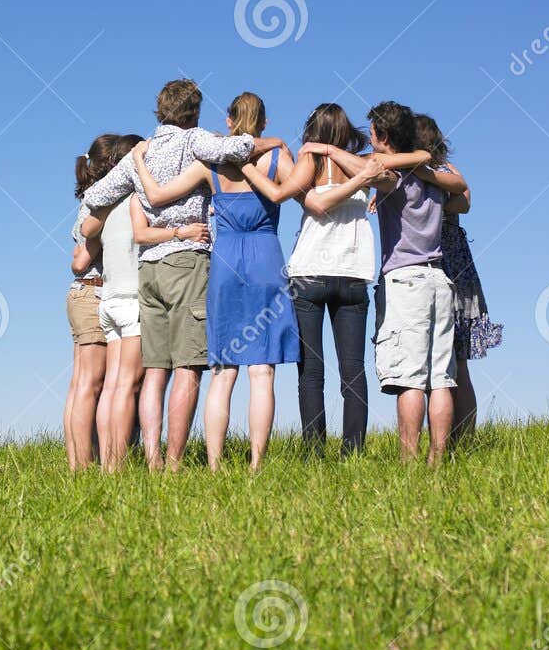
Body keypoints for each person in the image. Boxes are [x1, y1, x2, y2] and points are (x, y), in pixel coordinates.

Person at [81, 78, 282, 468]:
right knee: (188, 368)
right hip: (187, 258)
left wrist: (137, 172)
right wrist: (271, 142)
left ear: (159, 110)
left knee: (155, 370)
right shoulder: (195, 141)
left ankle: (152, 457)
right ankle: (174, 462)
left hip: (149, 266)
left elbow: (94, 196)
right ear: (194, 112)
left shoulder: (143, 150)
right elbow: (237, 146)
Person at [131, 93, 298, 471]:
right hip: (266, 258)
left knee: (223, 371)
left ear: (228, 123)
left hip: (225, 263)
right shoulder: (276, 158)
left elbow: (157, 196)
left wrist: (139, 160)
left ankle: (214, 464)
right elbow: (306, 197)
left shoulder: (209, 166)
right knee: (263, 370)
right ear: (265, 123)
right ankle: (256, 464)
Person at [240, 103, 386, 457]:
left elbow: (297, 198)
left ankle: (313, 451)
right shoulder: (362, 164)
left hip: (309, 274)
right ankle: (353, 452)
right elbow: (367, 177)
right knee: (353, 370)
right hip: (352, 274)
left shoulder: (312, 160)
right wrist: (354, 176)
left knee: (311, 372)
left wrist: (319, 153)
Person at [326, 102, 467, 465]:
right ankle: (438, 459)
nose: (369, 138)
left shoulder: (395, 174)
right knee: (441, 379)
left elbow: (369, 168)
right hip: (438, 277)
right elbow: (460, 190)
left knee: (410, 379)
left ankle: (409, 460)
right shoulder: (430, 173)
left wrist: (326, 148)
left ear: (384, 136)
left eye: (372, 133)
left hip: (406, 280)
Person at [414, 113, 502, 441]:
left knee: (435, 366)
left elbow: (463, 200)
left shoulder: (423, 176)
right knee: (456, 366)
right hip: (459, 267)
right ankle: (460, 441)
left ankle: (449, 441)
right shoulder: (445, 173)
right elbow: (464, 202)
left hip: (435, 266)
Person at [76, 134, 158, 470]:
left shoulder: (105, 207)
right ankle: (117, 464)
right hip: (133, 301)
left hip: (107, 302)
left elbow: (85, 234)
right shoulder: (143, 200)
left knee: (111, 386)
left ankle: (106, 461)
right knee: (128, 385)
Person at [64, 135, 116, 469]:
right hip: (92, 292)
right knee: (90, 384)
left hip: (81, 295)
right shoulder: (98, 206)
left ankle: (77, 463)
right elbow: (81, 260)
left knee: (80, 383)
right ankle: (82, 465)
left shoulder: (89, 200)